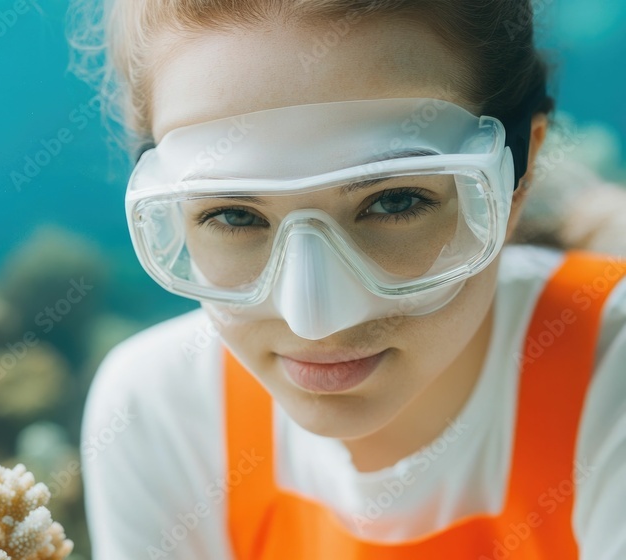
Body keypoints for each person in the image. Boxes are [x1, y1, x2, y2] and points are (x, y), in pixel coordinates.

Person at [72, 1, 626, 558]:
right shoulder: (154, 415)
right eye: (233, 215)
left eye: (395, 201)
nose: (315, 320)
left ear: (519, 173)